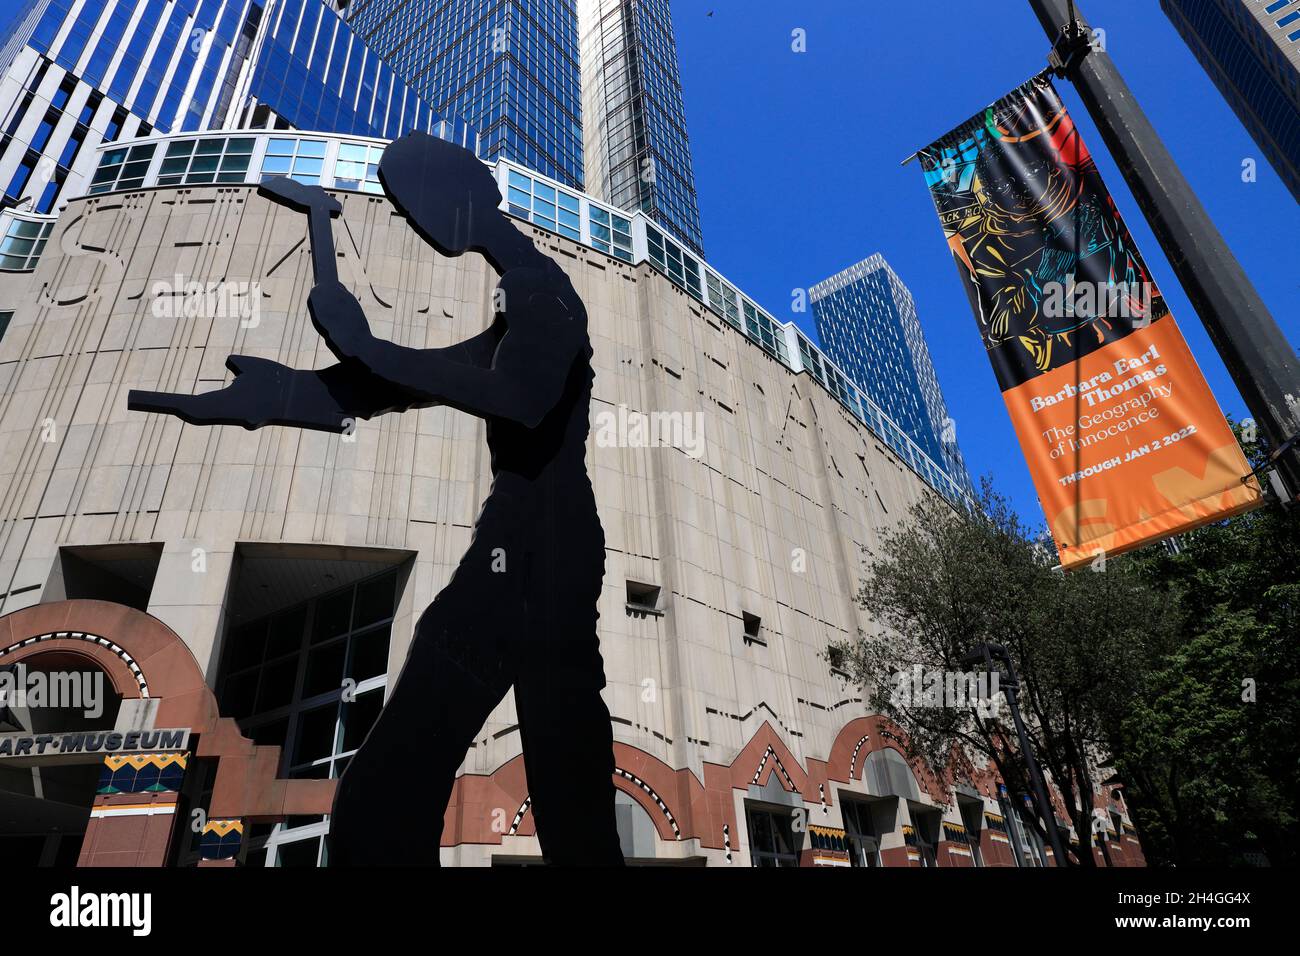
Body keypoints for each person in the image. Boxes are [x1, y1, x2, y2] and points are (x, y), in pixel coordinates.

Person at [129, 132, 624, 866]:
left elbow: (520, 398)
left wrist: (365, 346)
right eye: (411, 206)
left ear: (474, 195)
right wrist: (283, 392)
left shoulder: (539, 286)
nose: (420, 219)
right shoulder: (515, 307)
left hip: (540, 552)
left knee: (526, 784)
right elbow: (395, 384)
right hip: (522, 545)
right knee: (501, 784)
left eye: (424, 200)